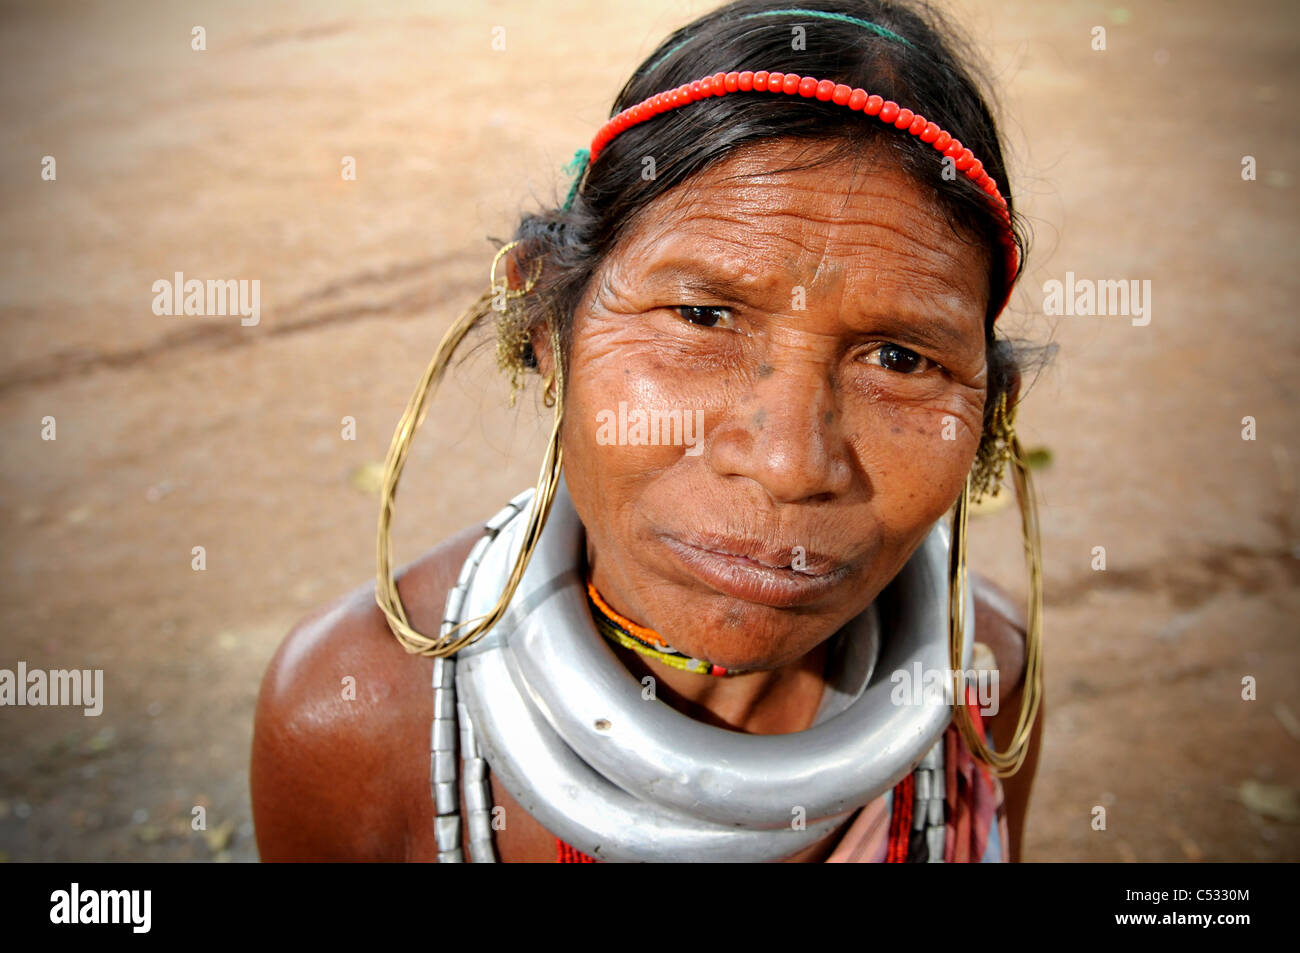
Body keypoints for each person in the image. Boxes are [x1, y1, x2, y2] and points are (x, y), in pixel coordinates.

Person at [251, 0, 1045, 863]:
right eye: (702, 315)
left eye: (898, 359)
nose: (787, 462)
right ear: (547, 331)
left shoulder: (983, 682)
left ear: (990, 418)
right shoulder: (355, 716)